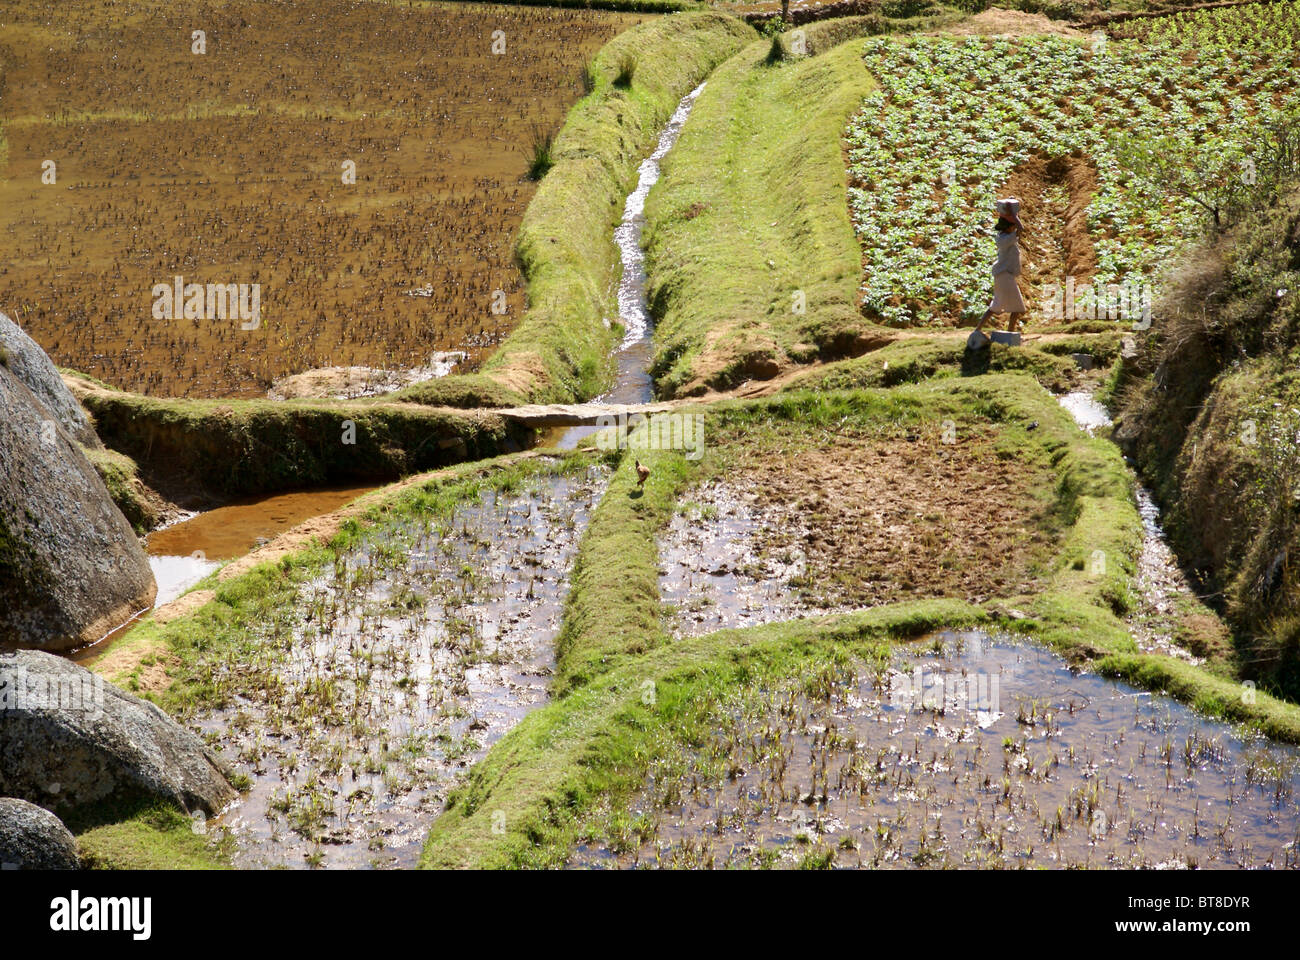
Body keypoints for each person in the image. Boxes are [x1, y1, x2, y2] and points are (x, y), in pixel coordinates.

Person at [971, 198, 1026, 343]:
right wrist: (1014, 216)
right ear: (1008, 227)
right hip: (1004, 276)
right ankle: (1008, 334)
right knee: (1015, 306)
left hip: (1004, 275)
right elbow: (1021, 229)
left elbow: (1018, 230)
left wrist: (1012, 216)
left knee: (1000, 305)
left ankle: (982, 330)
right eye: (1012, 226)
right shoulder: (1005, 239)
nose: (1014, 228)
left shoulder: (1005, 237)